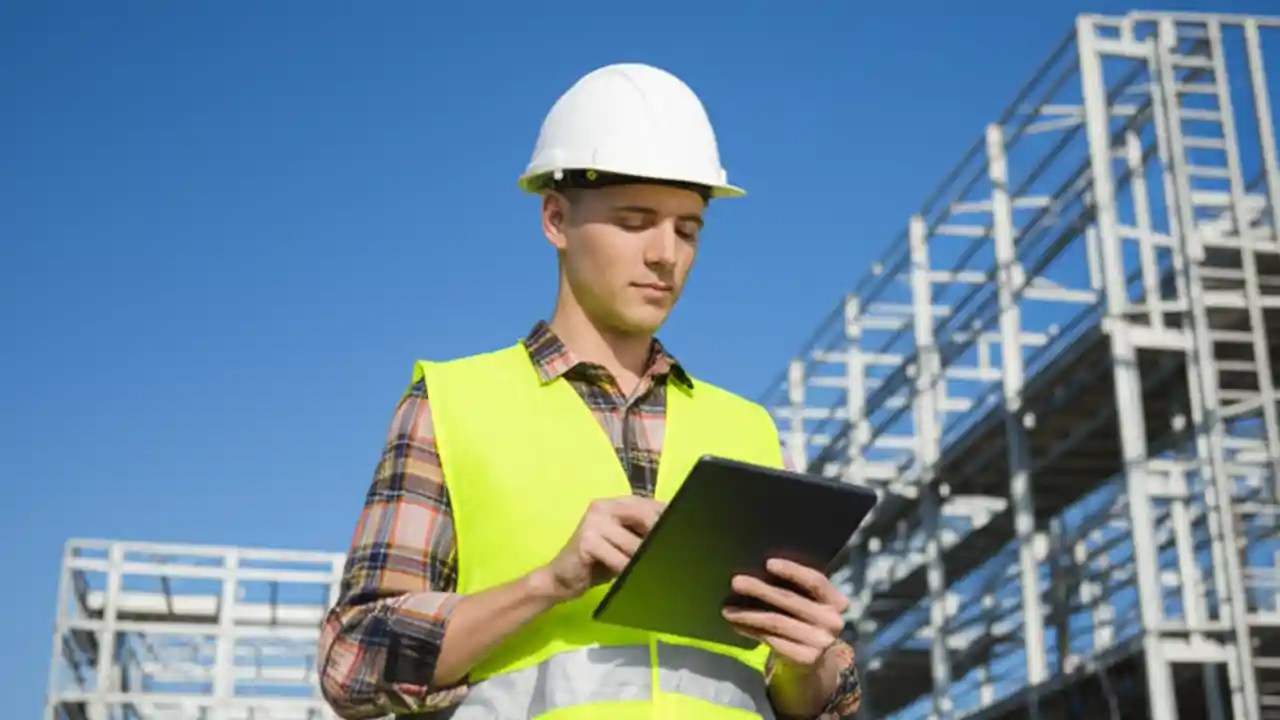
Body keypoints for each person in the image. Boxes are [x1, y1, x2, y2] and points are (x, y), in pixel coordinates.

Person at [316, 62, 863, 719]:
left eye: (688, 229)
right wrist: (550, 582)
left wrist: (807, 661)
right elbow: (352, 663)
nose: (667, 254)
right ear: (555, 219)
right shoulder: (453, 404)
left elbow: (812, 704)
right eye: (636, 222)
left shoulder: (748, 430)